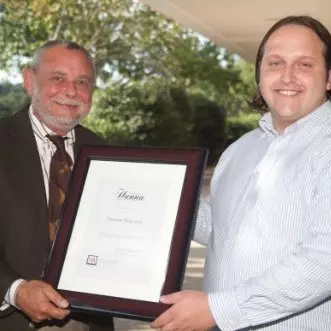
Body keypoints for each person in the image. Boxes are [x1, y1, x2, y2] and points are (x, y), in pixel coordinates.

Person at [151, 15, 331, 331]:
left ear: (328, 77)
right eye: (275, 63)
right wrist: (161, 198)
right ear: (260, 75)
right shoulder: (239, 150)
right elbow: (221, 231)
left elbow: (323, 261)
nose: (287, 76)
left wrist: (219, 309)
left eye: (304, 64)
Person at [0, 41, 114, 330]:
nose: (71, 91)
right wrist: (15, 290)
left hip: (89, 322)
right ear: (29, 80)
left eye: (83, 82)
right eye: (58, 78)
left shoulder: (108, 154)